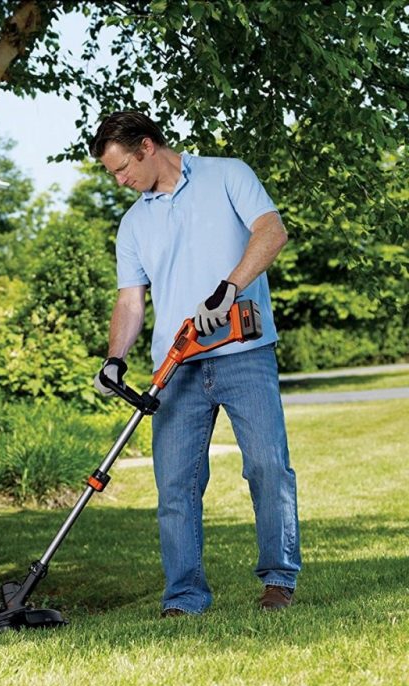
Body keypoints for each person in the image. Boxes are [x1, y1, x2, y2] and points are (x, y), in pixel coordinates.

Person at [90, 111, 301, 616]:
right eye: (112, 175)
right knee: (176, 485)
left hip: (243, 351)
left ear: (146, 147)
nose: (120, 181)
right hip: (177, 364)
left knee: (268, 466)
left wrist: (228, 289)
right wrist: (115, 358)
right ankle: (184, 596)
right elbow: (130, 301)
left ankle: (278, 580)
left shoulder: (228, 174)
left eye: (122, 169)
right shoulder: (134, 222)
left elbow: (272, 232)